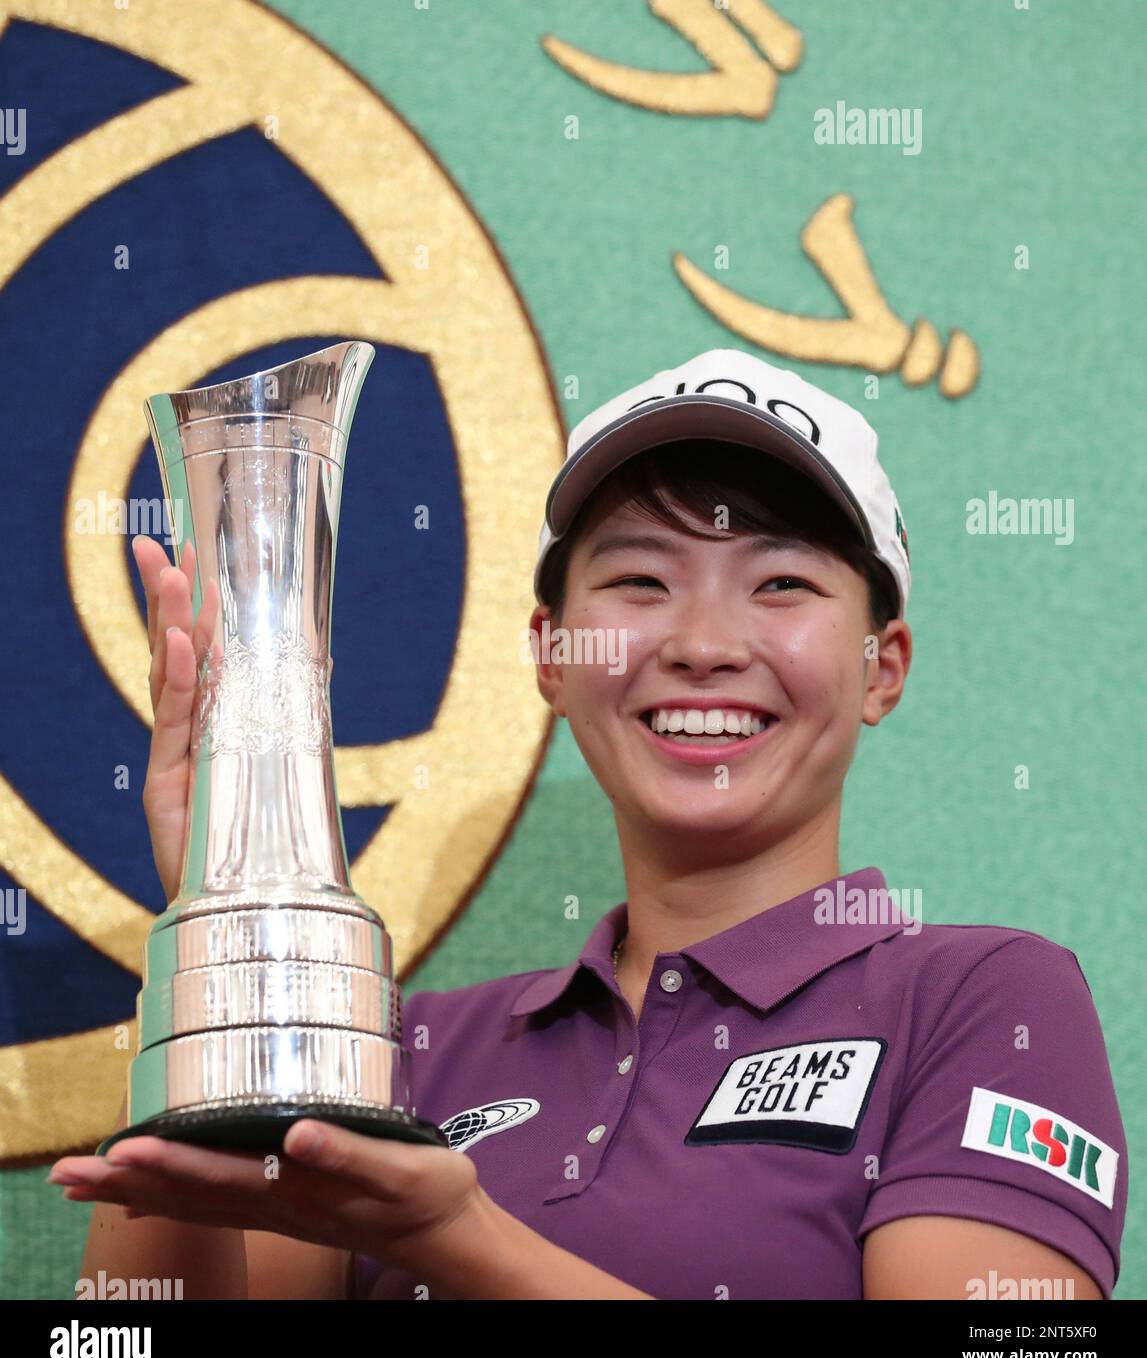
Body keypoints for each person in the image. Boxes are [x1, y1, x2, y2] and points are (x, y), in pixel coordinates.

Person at [56, 348, 1126, 1300]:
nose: (704, 642)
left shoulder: (983, 1000)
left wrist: (458, 1238)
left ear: (880, 665)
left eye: (782, 583)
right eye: (640, 580)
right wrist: (217, 923)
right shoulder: (404, 1051)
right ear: (550, 654)